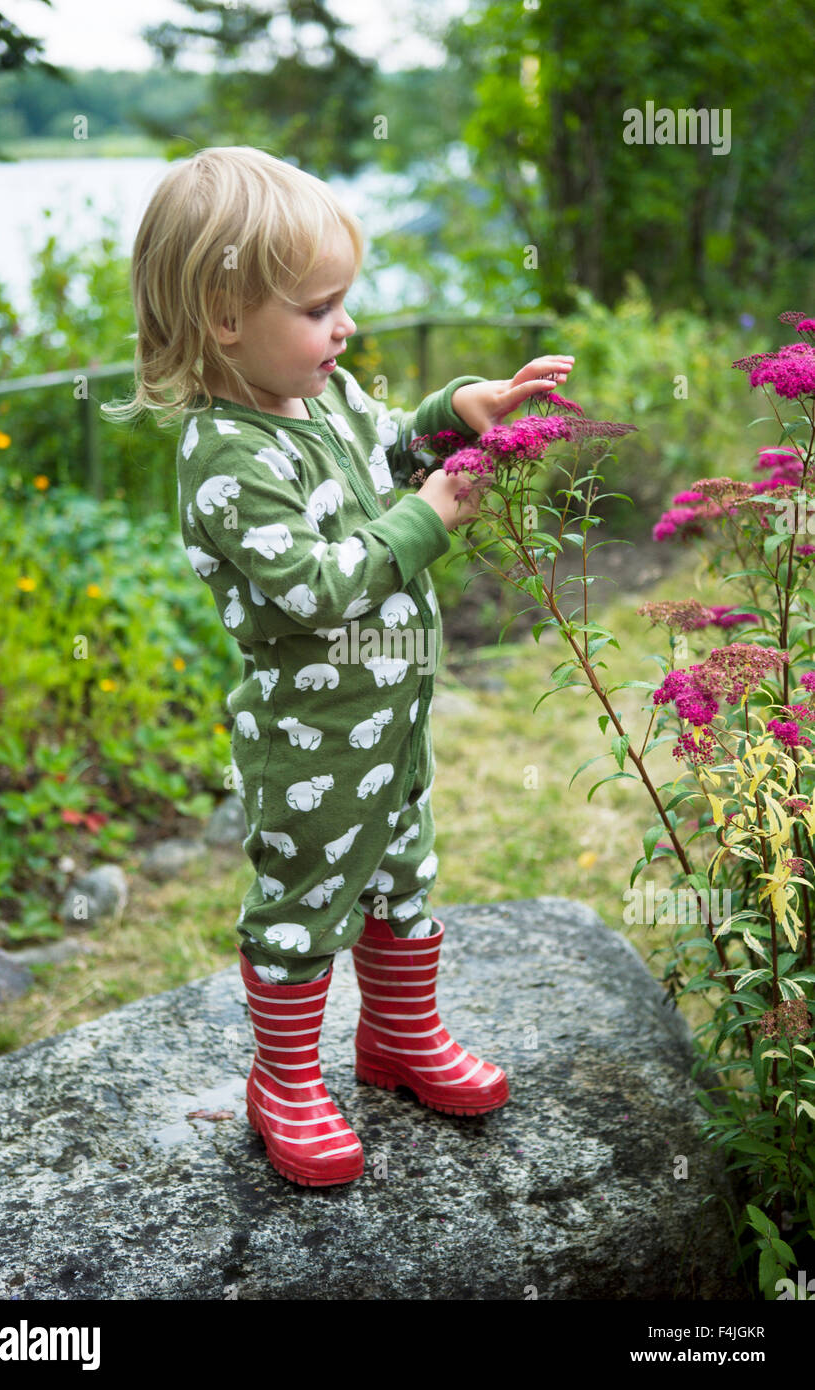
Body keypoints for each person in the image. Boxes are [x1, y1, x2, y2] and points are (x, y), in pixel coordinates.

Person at [105, 145, 574, 1188]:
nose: (344, 326)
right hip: (312, 743)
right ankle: (283, 1081)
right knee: (303, 903)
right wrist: (429, 518)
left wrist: (458, 415)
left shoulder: (326, 399)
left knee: (401, 881)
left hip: (388, 730)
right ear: (225, 316)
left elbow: (391, 458)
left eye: (343, 302)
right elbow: (319, 584)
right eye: (319, 308)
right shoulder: (227, 459)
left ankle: (399, 1041)